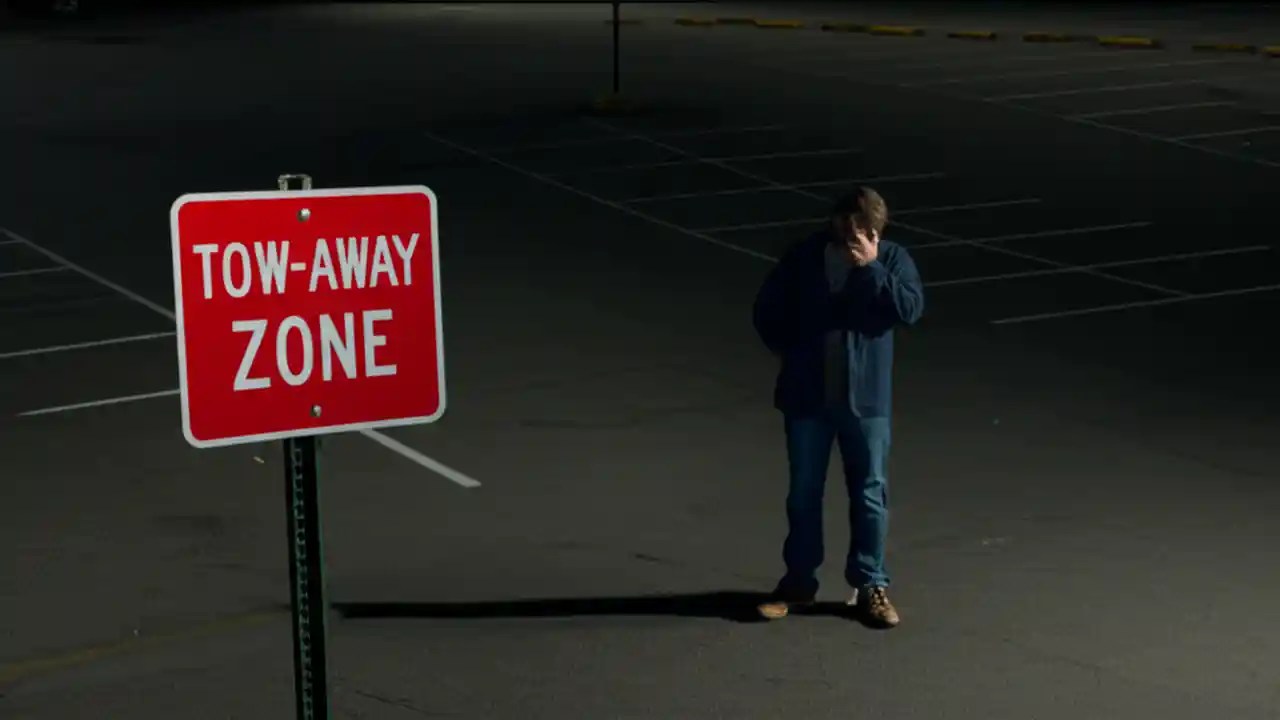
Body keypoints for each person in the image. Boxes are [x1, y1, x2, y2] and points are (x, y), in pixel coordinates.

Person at [751, 186, 924, 628]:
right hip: (807, 399)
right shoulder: (805, 257)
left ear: (876, 232)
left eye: (865, 232)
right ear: (835, 223)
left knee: (870, 495)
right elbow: (767, 309)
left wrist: (870, 269)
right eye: (848, 229)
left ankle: (871, 585)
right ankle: (798, 582)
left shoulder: (891, 260)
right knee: (804, 494)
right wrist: (792, 351)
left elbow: (909, 308)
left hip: (865, 403)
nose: (855, 238)